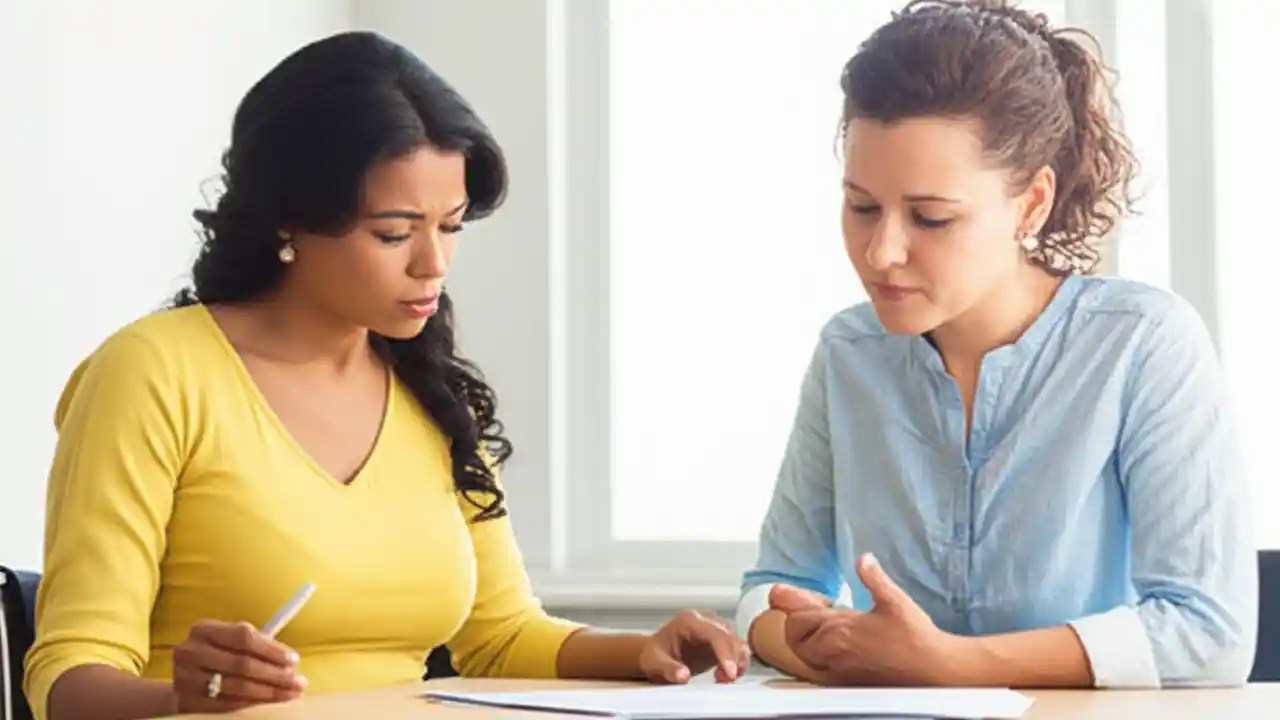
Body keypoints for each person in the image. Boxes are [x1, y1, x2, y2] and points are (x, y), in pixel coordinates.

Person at [25, 31, 749, 720]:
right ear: (290, 219)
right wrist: (184, 699)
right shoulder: (153, 373)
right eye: (394, 233)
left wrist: (642, 651)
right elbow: (68, 679)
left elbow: (498, 638)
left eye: (452, 225)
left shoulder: (434, 391)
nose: (433, 263)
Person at [738, 0, 1257, 689]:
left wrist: (943, 665)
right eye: (861, 206)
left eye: (931, 217)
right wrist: (816, 640)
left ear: (1032, 203)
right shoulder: (848, 352)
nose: (881, 250)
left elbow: (1209, 634)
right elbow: (770, 589)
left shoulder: (1142, 344)